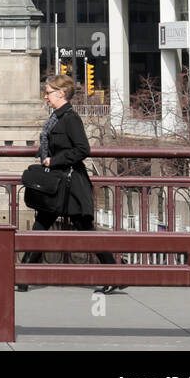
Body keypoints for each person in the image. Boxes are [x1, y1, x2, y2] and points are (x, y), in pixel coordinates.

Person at [18, 73, 122, 294]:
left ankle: (115, 274)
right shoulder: (57, 118)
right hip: (57, 183)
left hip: (71, 184)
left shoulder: (70, 118)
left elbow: (83, 149)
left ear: (61, 93)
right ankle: (23, 275)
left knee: (83, 228)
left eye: (48, 93)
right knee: (42, 224)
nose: (45, 97)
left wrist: (53, 160)